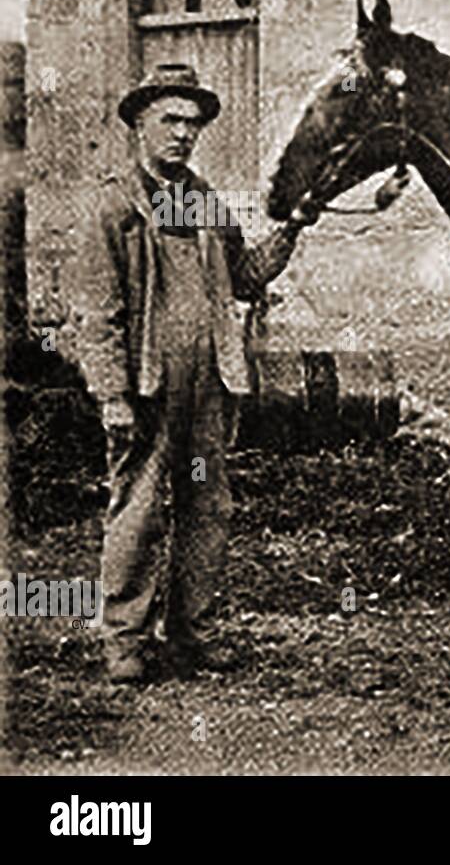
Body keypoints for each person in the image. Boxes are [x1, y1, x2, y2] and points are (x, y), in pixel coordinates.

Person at [73, 64, 306, 683]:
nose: (182, 134)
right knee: (139, 508)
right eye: (169, 121)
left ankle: (190, 636)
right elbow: (96, 311)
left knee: (207, 506)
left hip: (208, 384)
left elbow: (247, 275)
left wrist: (294, 227)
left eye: (192, 123)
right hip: (150, 385)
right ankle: (124, 640)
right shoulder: (115, 204)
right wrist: (112, 396)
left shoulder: (205, 200)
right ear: (141, 125)